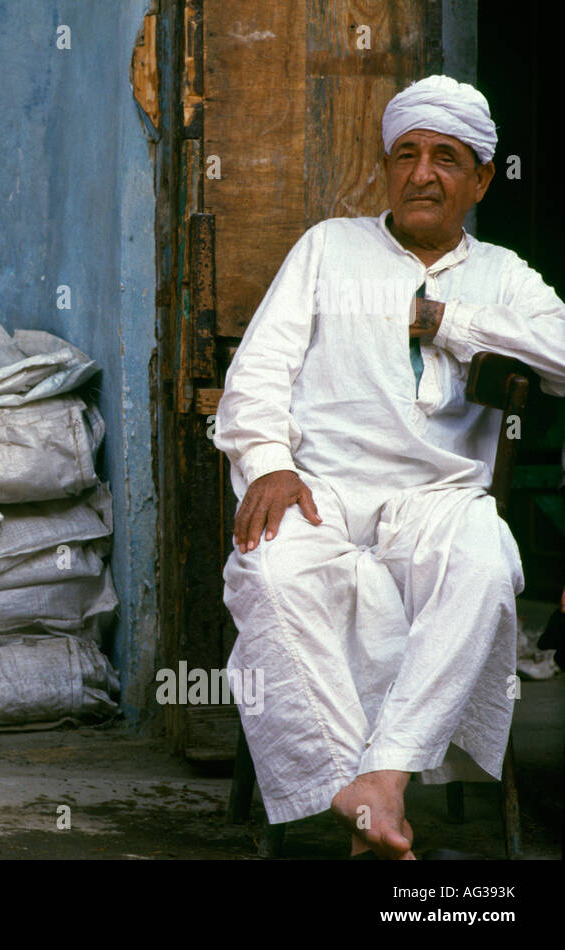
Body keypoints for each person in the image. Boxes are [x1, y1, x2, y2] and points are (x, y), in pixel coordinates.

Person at [213, 75, 565, 859]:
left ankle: (379, 781)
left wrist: (450, 321)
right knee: (267, 574)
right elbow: (259, 370)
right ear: (386, 168)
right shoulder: (328, 247)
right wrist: (268, 461)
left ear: (479, 180)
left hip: (440, 500)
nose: (421, 173)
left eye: (446, 158)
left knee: (483, 563)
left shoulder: (504, 275)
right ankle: (368, 786)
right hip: (321, 491)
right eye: (405, 154)